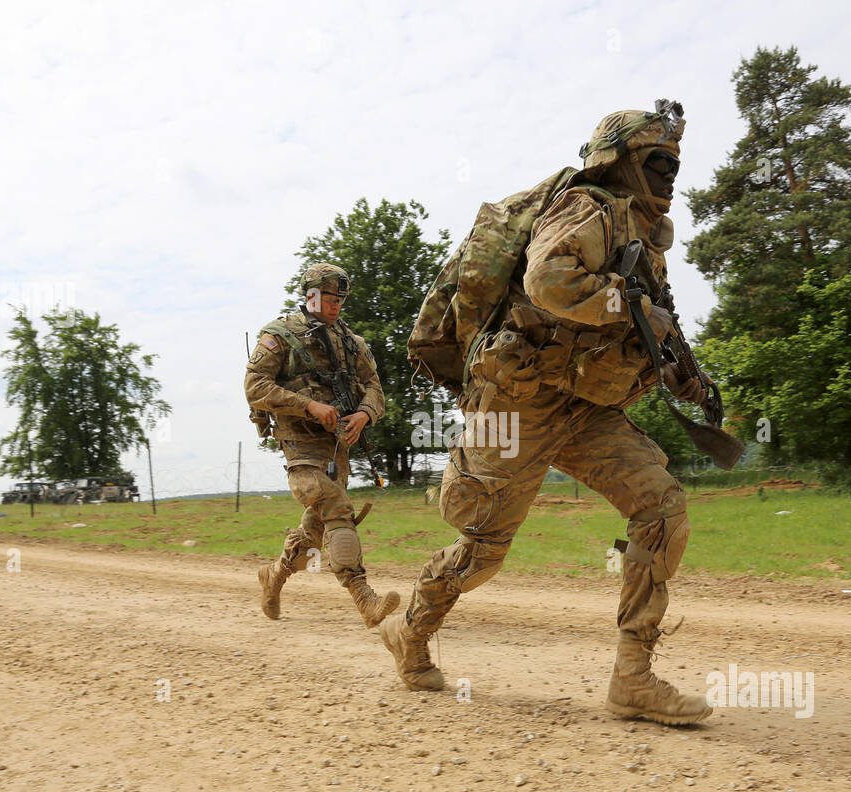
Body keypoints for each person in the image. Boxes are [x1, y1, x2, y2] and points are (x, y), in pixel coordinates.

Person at [380, 102, 714, 725]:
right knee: (484, 549)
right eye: (658, 161)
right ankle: (411, 631)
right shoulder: (588, 207)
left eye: (675, 162)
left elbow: (632, 322)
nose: (671, 173)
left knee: (661, 505)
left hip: (584, 407)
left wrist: (676, 369)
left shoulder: (638, 232)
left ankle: (633, 678)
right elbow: (548, 282)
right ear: (621, 162)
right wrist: (628, 308)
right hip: (517, 404)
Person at [244, 263, 400, 627]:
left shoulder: (351, 342)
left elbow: (374, 387)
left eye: (341, 299)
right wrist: (309, 405)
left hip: (337, 445)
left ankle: (275, 575)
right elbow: (255, 386)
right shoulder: (279, 335)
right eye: (330, 298)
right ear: (311, 296)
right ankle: (365, 598)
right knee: (336, 506)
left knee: (314, 533)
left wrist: (364, 415)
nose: (336, 306)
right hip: (299, 442)